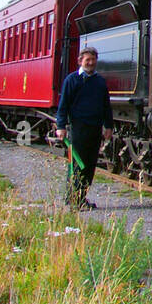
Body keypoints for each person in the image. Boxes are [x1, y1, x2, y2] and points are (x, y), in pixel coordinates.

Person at [54, 47, 113, 210]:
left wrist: (108, 126)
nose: (91, 63)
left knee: (90, 164)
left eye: (93, 60)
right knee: (77, 163)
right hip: (77, 127)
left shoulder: (100, 81)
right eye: (88, 60)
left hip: (95, 128)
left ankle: (81, 196)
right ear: (80, 61)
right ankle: (74, 198)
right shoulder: (71, 80)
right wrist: (61, 126)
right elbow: (63, 104)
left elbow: (106, 106)